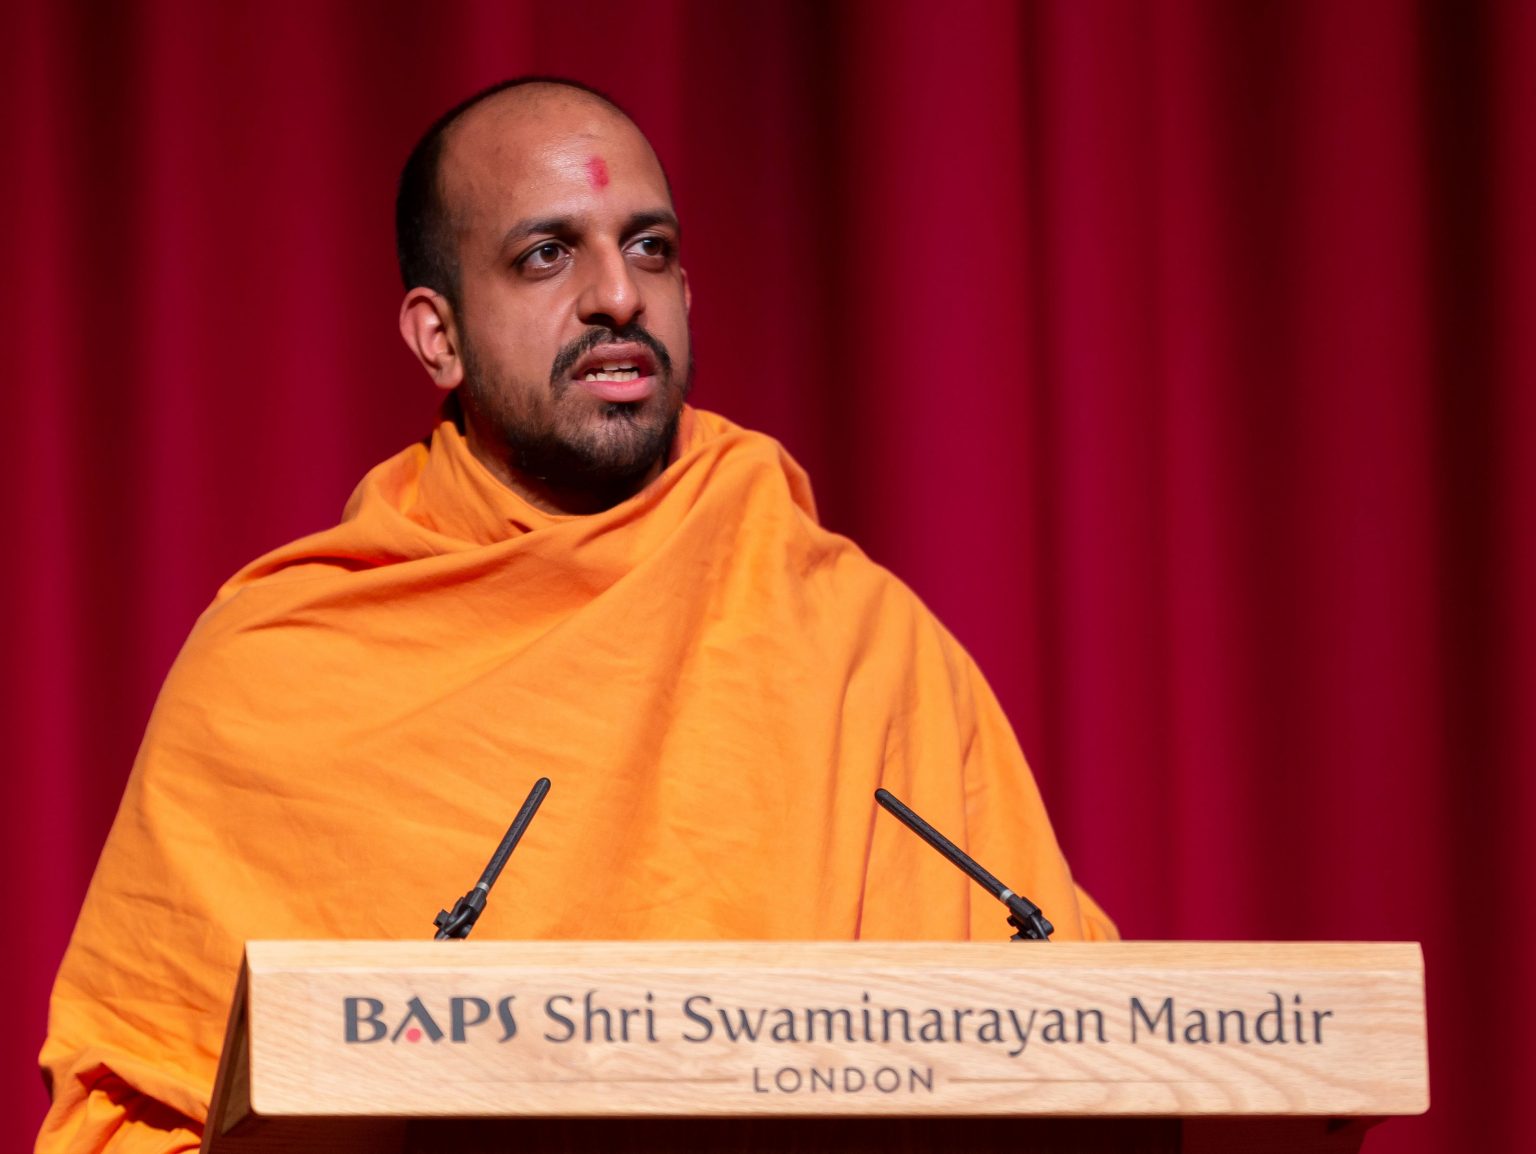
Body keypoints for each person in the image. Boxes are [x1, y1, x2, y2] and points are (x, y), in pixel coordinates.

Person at [36, 77, 1115, 1154]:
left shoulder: (854, 642)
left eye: (648, 249)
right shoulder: (277, 672)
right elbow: (137, 1111)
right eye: (547, 255)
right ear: (437, 336)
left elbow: (1082, 1060)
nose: (617, 296)